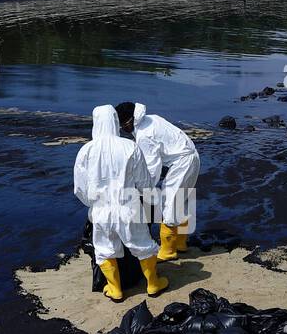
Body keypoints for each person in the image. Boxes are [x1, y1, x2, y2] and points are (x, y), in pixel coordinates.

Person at [74, 105, 169, 301]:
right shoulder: (130, 146)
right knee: (142, 245)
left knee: (104, 248)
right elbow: (144, 182)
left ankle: (115, 288)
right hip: (129, 206)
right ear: (116, 122)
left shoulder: (86, 151)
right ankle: (153, 284)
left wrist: (92, 204)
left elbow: (80, 189)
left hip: (101, 209)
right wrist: (151, 202)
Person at [116, 102, 200, 261]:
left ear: (129, 122)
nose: (123, 130)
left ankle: (167, 251)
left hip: (182, 163)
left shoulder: (144, 136)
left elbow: (152, 168)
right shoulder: (150, 119)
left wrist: (141, 191)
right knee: (182, 201)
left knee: (169, 204)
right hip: (189, 156)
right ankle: (181, 243)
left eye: (122, 126)